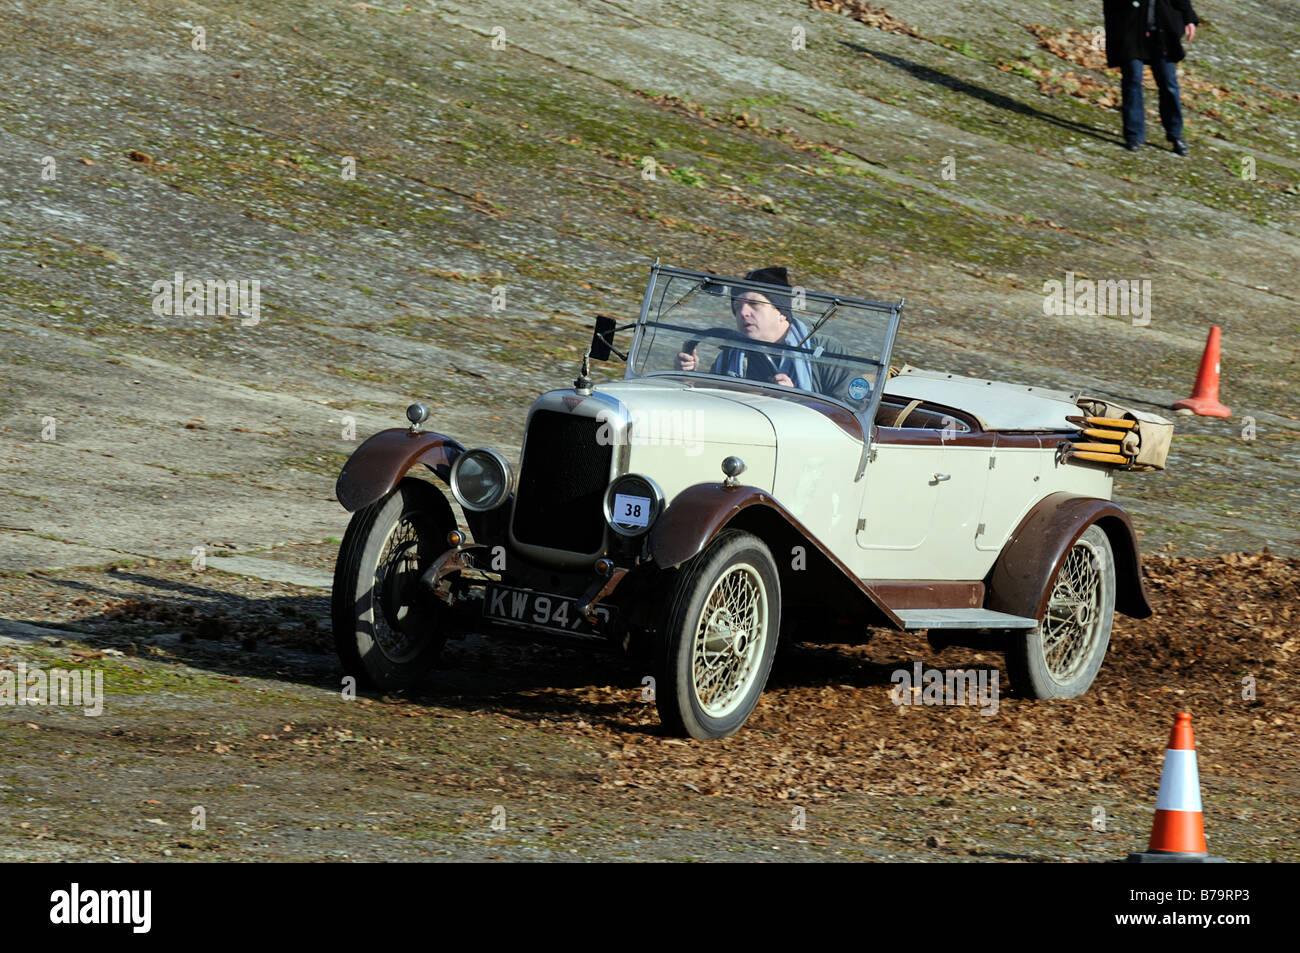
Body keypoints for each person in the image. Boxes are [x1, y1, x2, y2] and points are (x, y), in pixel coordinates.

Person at [675, 266, 853, 397]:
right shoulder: (730, 353)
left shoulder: (824, 349)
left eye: (754, 305)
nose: (743, 312)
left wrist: (797, 399)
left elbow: (848, 411)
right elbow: (714, 402)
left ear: (781, 313)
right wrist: (689, 377)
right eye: (737, 306)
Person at [1103, 0, 1200, 155]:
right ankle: (1133, 136)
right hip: (1131, 30)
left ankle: (1175, 135)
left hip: (1162, 33)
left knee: (1169, 83)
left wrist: (1189, 19)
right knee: (1132, 79)